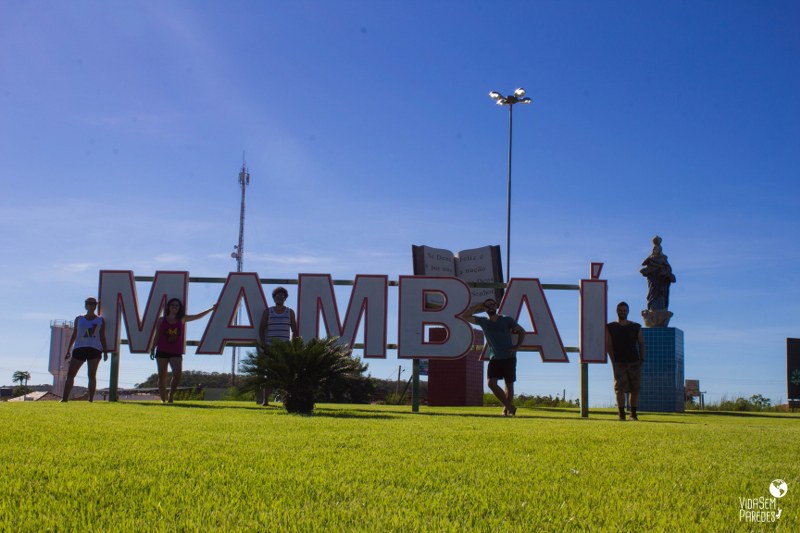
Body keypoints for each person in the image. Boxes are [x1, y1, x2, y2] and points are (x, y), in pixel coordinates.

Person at [463, 298, 525, 416]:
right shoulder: (483, 321)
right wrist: (479, 305)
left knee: (509, 384)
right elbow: (466, 316)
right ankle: (509, 407)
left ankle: (506, 410)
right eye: (487, 306)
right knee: (491, 383)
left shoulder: (506, 320)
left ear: (496, 306)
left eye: (492, 304)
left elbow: (522, 331)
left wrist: (517, 347)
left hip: (509, 357)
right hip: (494, 358)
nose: (490, 307)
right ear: (485, 308)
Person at [149, 298, 215, 404]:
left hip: (176, 351)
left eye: (177, 305)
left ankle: (171, 395)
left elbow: (197, 316)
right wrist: (152, 348)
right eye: (172, 305)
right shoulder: (161, 320)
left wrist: (211, 309)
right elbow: (157, 335)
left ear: (179, 308)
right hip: (161, 350)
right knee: (162, 376)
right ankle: (163, 400)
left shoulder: (182, 319)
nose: (174, 307)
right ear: (169, 307)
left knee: (177, 374)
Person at [257, 287, 298, 406]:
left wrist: (293, 346)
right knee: (268, 374)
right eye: (277, 296)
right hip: (270, 347)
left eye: (282, 296)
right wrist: (264, 346)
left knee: (286, 375)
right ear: (274, 298)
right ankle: (265, 401)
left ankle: (286, 400)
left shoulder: (290, 312)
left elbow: (294, 330)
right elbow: (261, 329)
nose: (279, 298)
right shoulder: (268, 312)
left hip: (285, 348)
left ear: (285, 298)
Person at [62, 297, 108, 402]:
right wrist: (68, 350)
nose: (91, 306)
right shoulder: (79, 318)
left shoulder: (100, 320)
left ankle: (91, 399)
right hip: (79, 348)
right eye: (89, 303)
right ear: (85, 305)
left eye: (93, 304)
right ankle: (64, 399)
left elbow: (102, 337)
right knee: (71, 374)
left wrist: (105, 352)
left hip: (94, 349)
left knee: (91, 375)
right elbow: (74, 334)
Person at [606, 301, 646, 421]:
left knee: (635, 388)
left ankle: (633, 414)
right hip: (619, 362)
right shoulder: (611, 327)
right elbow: (609, 345)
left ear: (628, 312)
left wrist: (641, 359)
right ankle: (621, 414)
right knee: (619, 389)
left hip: (634, 361)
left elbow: (642, 343)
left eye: (624, 310)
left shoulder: (635, 326)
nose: (622, 312)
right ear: (617, 311)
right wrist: (614, 360)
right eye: (620, 310)